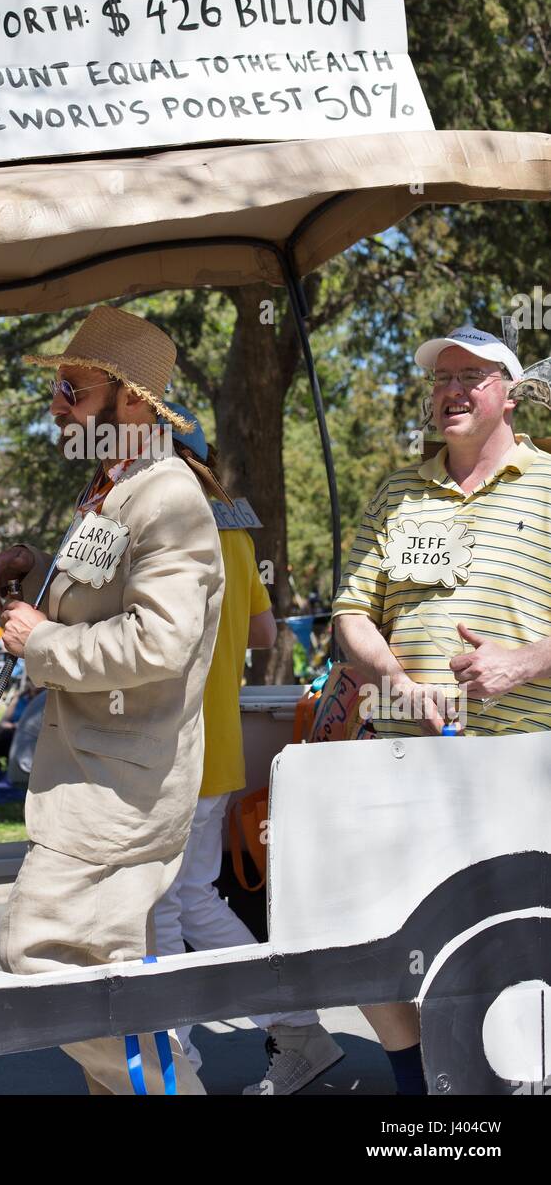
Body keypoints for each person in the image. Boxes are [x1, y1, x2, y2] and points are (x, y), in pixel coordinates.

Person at [0, 304, 225, 1096]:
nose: (56, 405)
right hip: (94, 778)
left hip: (123, 790)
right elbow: (94, 609)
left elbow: (158, 644)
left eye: (72, 391)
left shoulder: (168, 498)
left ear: (132, 401)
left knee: (37, 953)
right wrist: (26, 581)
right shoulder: (110, 492)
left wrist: (39, 643)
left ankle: (170, 1088)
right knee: (110, 978)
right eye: (58, 388)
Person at [332, 324, 551, 1095]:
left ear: (509, 393)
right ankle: (422, 1091)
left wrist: (523, 661)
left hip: (518, 772)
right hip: (400, 764)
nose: (451, 391)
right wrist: (395, 678)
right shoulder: (398, 491)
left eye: (472, 376)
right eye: (440, 379)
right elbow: (350, 615)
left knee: (509, 955)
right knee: (366, 942)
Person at [152, 403, 343, 1095]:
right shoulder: (230, 525)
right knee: (194, 901)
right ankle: (297, 1031)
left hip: (171, 747)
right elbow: (263, 633)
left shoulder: (162, 520)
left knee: (163, 911)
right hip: (218, 743)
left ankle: (176, 1071)